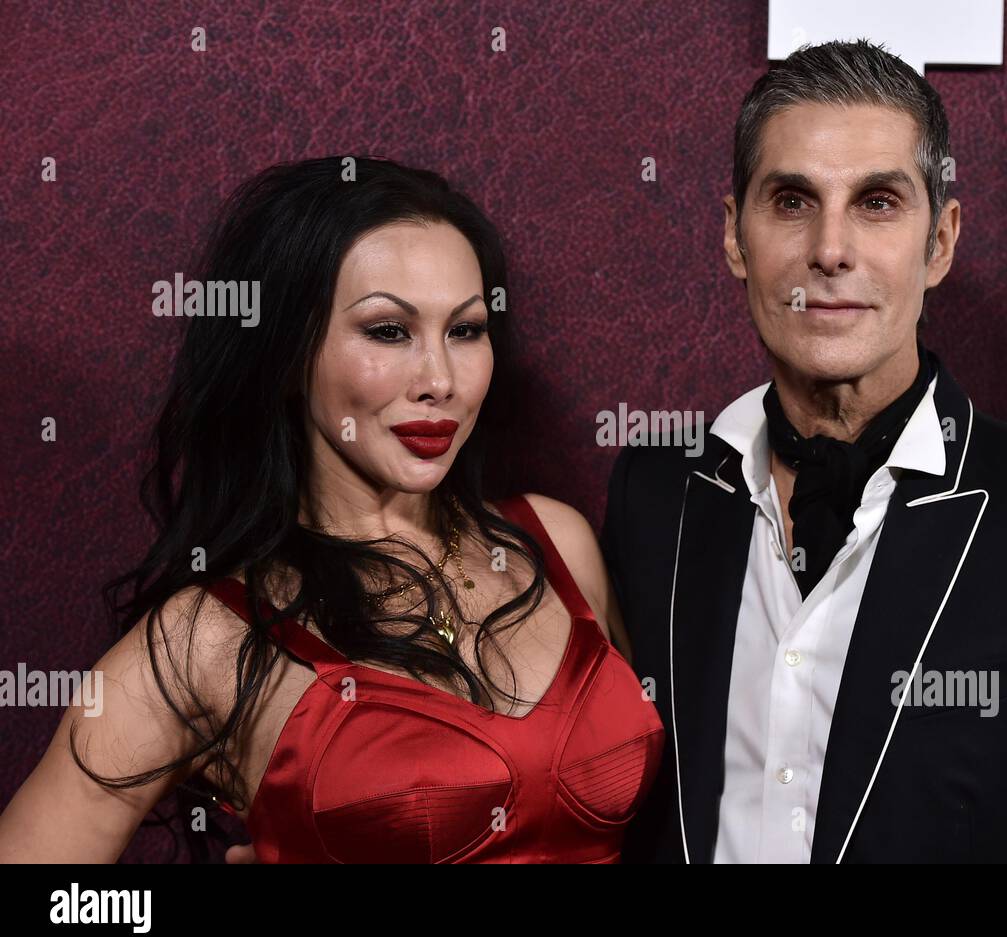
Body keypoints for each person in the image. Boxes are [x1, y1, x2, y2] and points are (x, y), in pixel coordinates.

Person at [605, 39, 1007, 863]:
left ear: (942, 240)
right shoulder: (655, 498)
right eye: (790, 200)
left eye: (878, 202)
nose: (831, 249)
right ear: (734, 236)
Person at [0, 156, 663, 863]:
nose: (439, 379)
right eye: (387, 331)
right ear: (288, 353)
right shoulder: (208, 639)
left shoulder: (555, 541)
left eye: (465, 330)